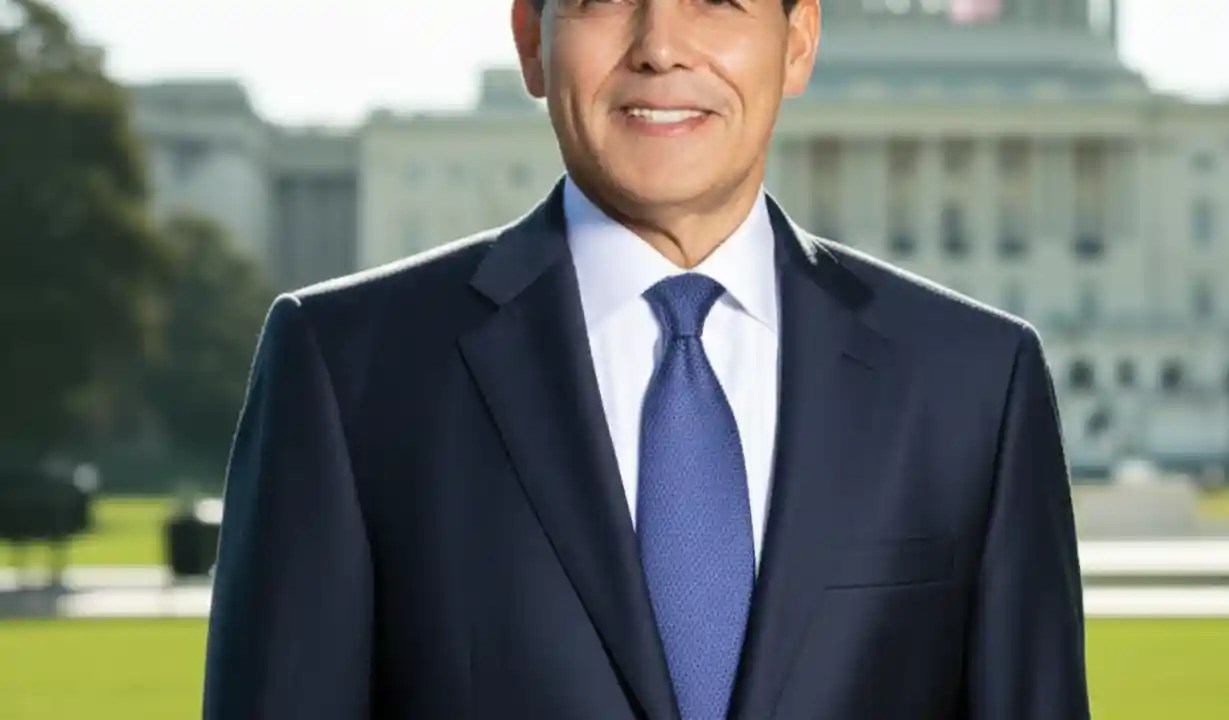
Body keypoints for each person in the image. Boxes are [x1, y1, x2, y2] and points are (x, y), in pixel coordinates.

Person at [202, 1, 1091, 718]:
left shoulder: (974, 381)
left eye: (715, 0)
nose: (661, 45)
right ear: (531, 39)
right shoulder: (350, 369)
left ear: (798, 42)